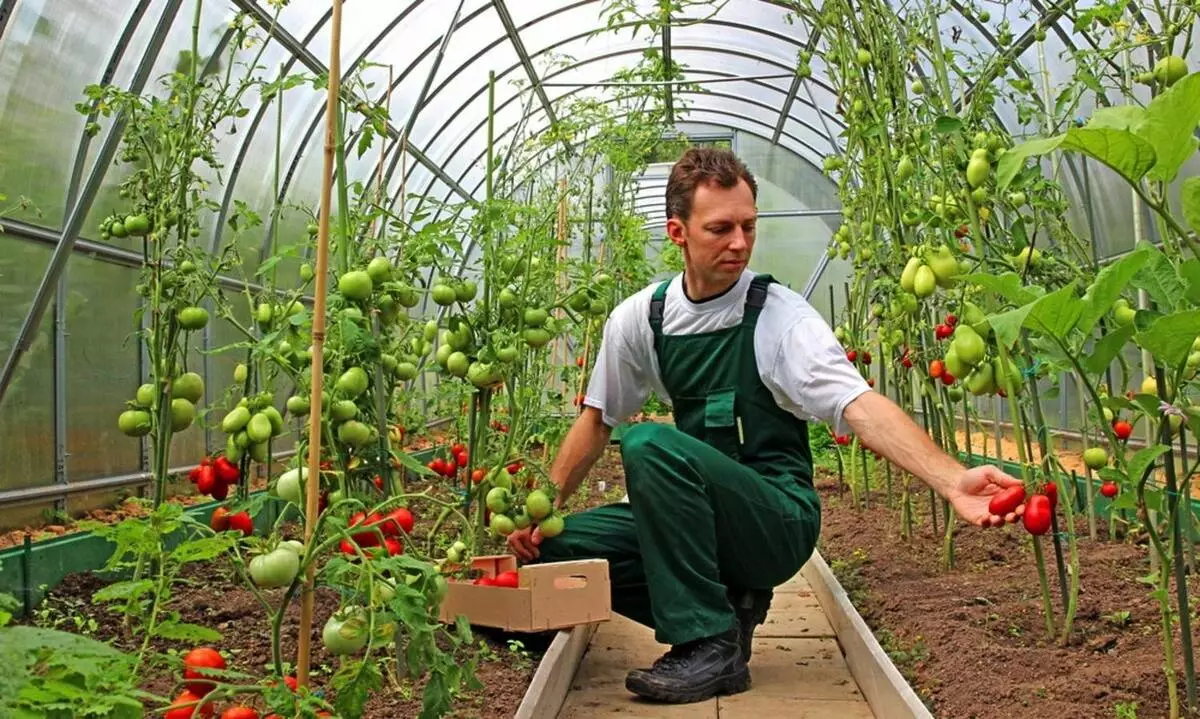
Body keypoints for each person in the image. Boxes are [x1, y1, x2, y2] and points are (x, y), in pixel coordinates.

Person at [506, 147, 1024, 705]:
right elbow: (596, 418)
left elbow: (858, 404)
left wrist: (950, 480)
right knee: (551, 555)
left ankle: (710, 643)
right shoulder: (642, 318)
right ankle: (731, 607)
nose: (739, 243)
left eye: (749, 226)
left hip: (774, 519)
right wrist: (541, 512)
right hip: (696, 520)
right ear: (677, 232)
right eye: (720, 228)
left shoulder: (779, 318)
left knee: (649, 442)